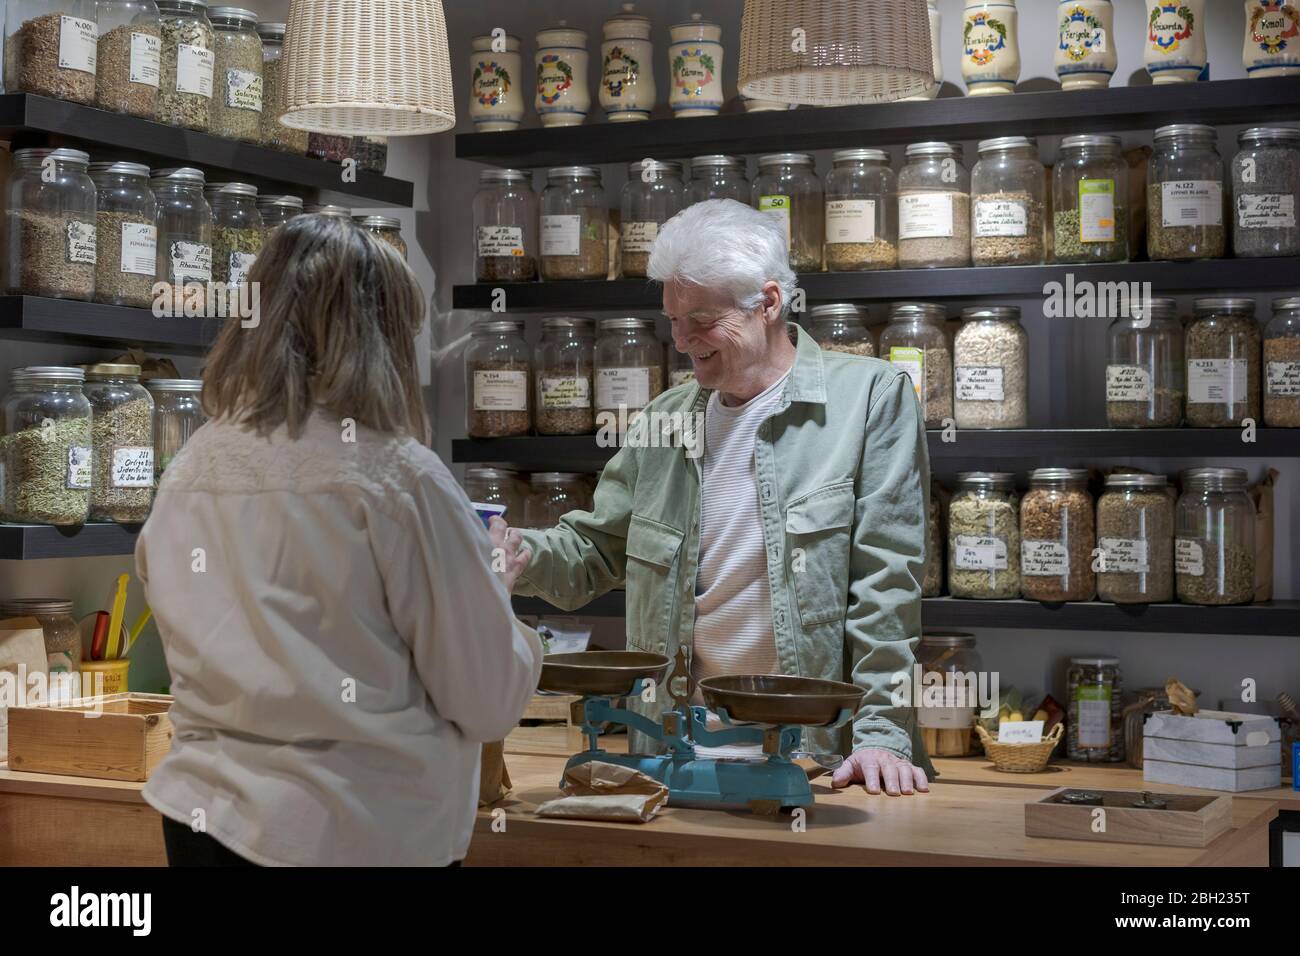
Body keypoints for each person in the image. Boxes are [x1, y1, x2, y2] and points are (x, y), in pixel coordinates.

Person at [491, 199, 933, 796]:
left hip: (824, 762)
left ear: (769, 303)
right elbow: (593, 551)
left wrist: (882, 733)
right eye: (672, 319)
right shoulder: (663, 419)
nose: (681, 340)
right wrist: (514, 552)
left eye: (700, 318)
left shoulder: (870, 400)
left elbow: (888, 584)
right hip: (671, 757)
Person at [137, 215, 542, 866]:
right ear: (382, 336)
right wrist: (494, 588)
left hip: (204, 821)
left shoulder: (190, 466)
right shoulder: (397, 476)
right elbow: (486, 701)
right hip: (357, 830)